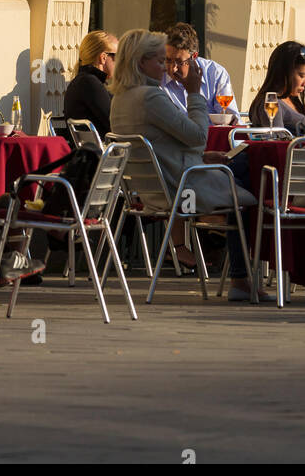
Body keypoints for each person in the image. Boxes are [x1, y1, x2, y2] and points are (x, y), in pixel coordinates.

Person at [108, 28, 260, 302]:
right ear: (141, 63)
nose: (165, 67)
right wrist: (194, 93)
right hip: (183, 187)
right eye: (158, 60)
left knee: (237, 166)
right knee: (255, 178)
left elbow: (165, 146)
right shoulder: (150, 97)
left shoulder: (121, 98)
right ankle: (242, 277)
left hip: (158, 187)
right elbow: (199, 136)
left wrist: (202, 157)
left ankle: (233, 268)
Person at [161, 23, 241, 119]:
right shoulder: (157, 77)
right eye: (168, 60)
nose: (173, 68)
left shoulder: (215, 73)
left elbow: (230, 118)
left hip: (211, 133)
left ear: (194, 57)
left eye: (179, 62)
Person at [64, 30, 117, 137]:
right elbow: (115, 124)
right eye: (118, 56)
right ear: (103, 57)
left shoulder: (85, 81)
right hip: (101, 152)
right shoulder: (89, 83)